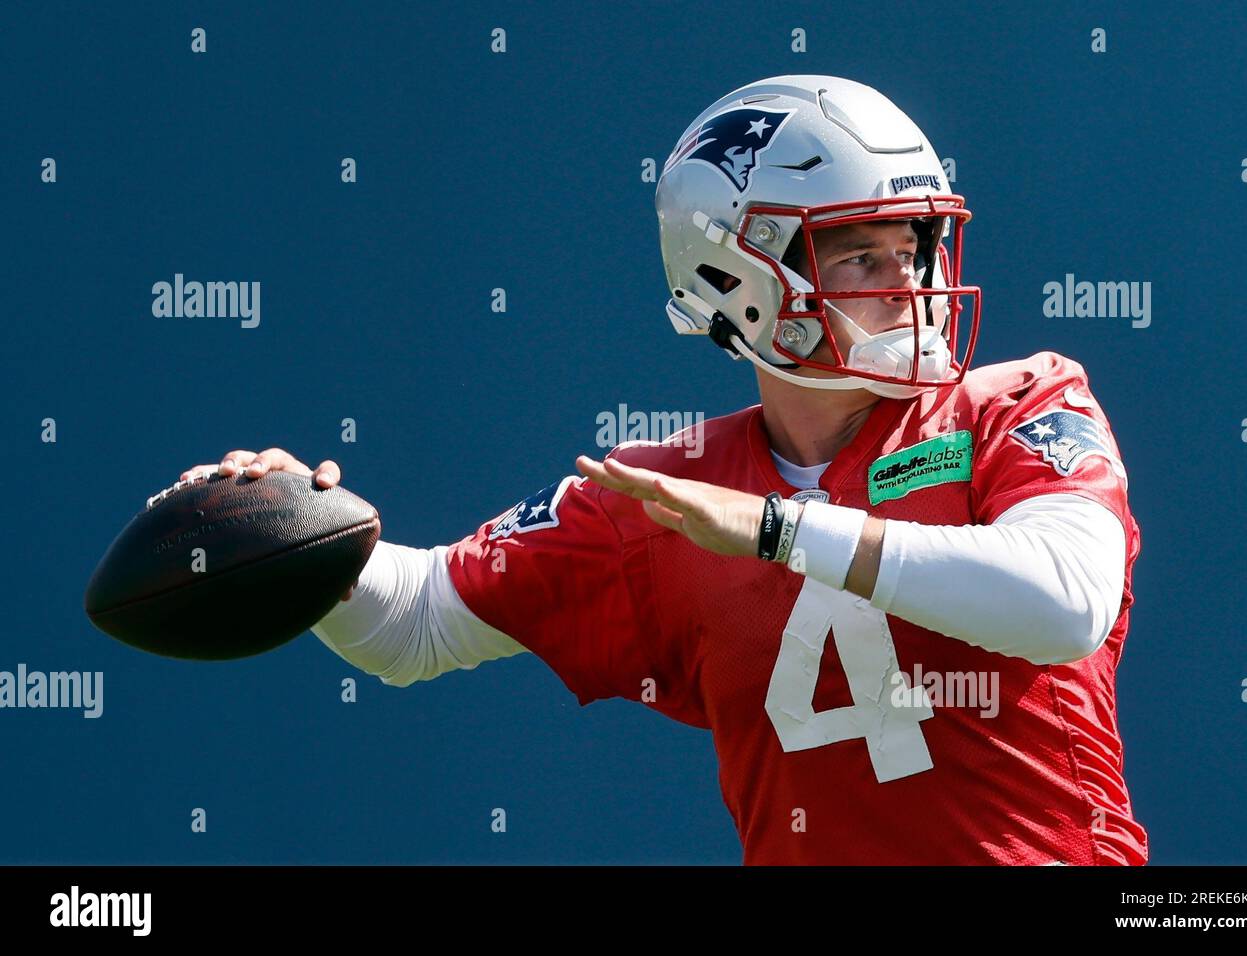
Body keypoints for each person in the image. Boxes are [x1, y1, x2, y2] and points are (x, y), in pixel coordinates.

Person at [179, 75, 1146, 865]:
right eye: (860, 256)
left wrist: (777, 528)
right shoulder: (665, 494)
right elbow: (416, 620)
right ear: (739, 278)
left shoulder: (1018, 404)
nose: (913, 286)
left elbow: (1064, 603)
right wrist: (301, 529)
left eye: (916, 246)